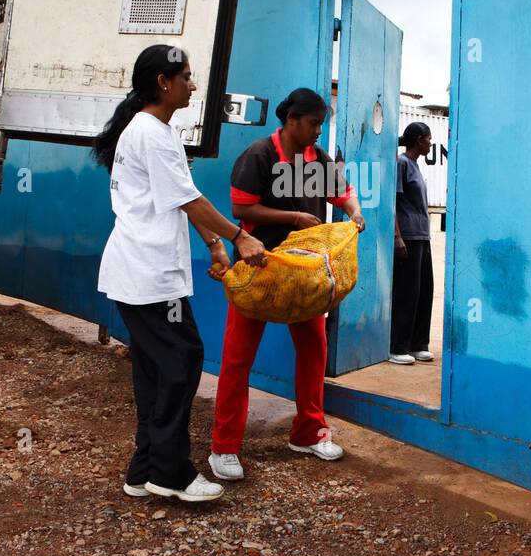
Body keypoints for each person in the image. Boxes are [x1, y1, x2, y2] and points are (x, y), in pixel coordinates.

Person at [94, 45, 266, 503]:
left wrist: (213, 244)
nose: (193, 84)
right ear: (162, 83)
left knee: (156, 366)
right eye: (186, 76)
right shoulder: (149, 132)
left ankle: (144, 468)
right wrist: (238, 237)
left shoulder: (157, 131)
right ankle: (170, 472)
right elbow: (189, 200)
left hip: (141, 272)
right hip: (147, 273)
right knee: (182, 360)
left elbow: (178, 195)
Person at [208, 88, 366, 481]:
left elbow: (343, 193)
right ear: (292, 120)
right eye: (314, 124)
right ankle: (224, 447)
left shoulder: (316, 158)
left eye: (321, 124)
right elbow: (241, 209)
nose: (318, 131)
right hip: (260, 270)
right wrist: (294, 217)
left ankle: (309, 432)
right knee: (237, 358)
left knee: (314, 349)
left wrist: (354, 210)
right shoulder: (259, 155)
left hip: (304, 275)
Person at [389, 121, 435, 365]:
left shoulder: (415, 165)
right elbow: (392, 203)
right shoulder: (401, 164)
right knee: (406, 293)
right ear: (418, 140)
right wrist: (397, 236)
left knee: (424, 291)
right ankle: (398, 347)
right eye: (428, 139)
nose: (430, 143)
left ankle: (419, 343)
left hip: (423, 236)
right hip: (408, 236)